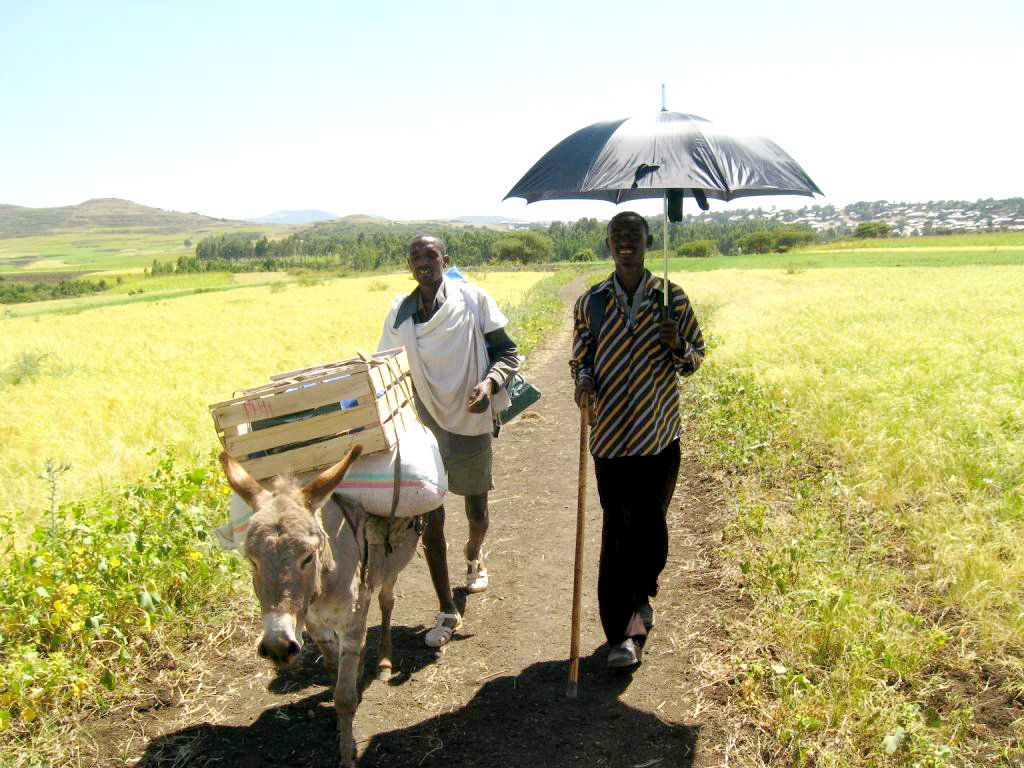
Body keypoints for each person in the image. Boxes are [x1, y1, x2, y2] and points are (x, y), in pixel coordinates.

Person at [569, 211, 705, 669]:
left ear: (648, 242)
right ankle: (625, 632)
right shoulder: (593, 302)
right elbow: (581, 357)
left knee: (650, 529)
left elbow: (694, 360)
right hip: (609, 437)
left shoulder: (672, 299)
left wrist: (676, 344)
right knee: (617, 530)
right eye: (617, 235)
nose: (626, 242)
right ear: (608, 244)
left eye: (634, 235)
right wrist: (584, 382)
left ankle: (644, 588)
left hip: (659, 436)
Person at [378, 235, 519, 647]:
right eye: (416, 257)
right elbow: (387, 367)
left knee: (476, 509)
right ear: (410, 265)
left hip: (471, 417)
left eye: (431, 255)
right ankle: (446, 608)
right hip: (422, 424)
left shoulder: (472, 300)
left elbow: (508, 353)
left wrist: (490, 384)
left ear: (446, 260)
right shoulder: (399, 314)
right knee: (430, 516)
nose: (424, 262)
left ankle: (474, 555)